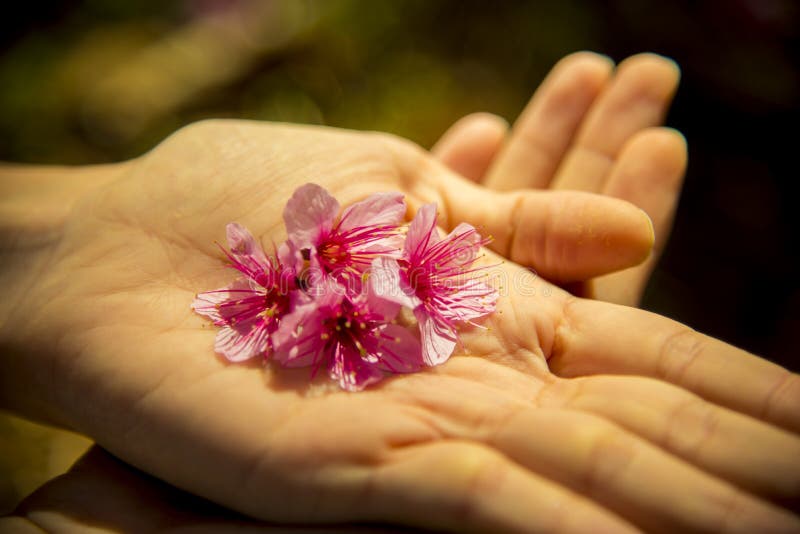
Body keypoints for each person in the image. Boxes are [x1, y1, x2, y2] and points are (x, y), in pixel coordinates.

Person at [0, 53, 797, 533]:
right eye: (325, 269)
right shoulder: (295, 286)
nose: (330, 271)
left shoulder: (390, 275)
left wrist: (50, 247)